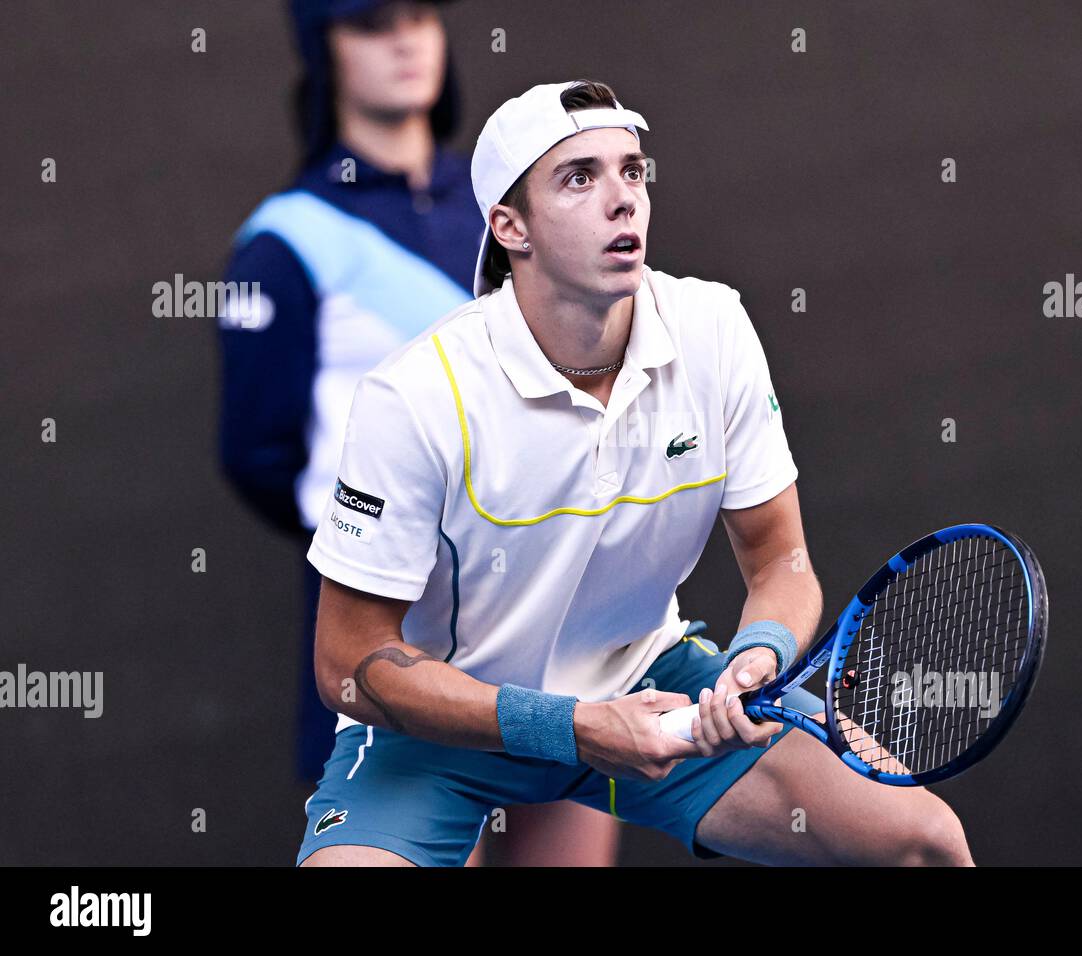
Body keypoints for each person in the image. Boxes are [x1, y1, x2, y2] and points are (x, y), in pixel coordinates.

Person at [296, 79, 974, 866]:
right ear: (509, 226)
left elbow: (779, 558)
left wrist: (757, 657)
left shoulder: (713, 329)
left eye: (633, 171)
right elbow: (346, 664)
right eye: (579, 177)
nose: (623, 200)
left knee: (922, 845)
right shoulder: (413, 397)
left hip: (645, 681)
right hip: (445, 726)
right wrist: (566, 726)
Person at [217, 1, 619, 864]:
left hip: (562, 637)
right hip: (399, 650)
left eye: (420, 15)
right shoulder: (283, 245)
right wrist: (399, 545)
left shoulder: (518, 211)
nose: (404, 39)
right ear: (324, 48)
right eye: (370, 21)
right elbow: (258, 454)